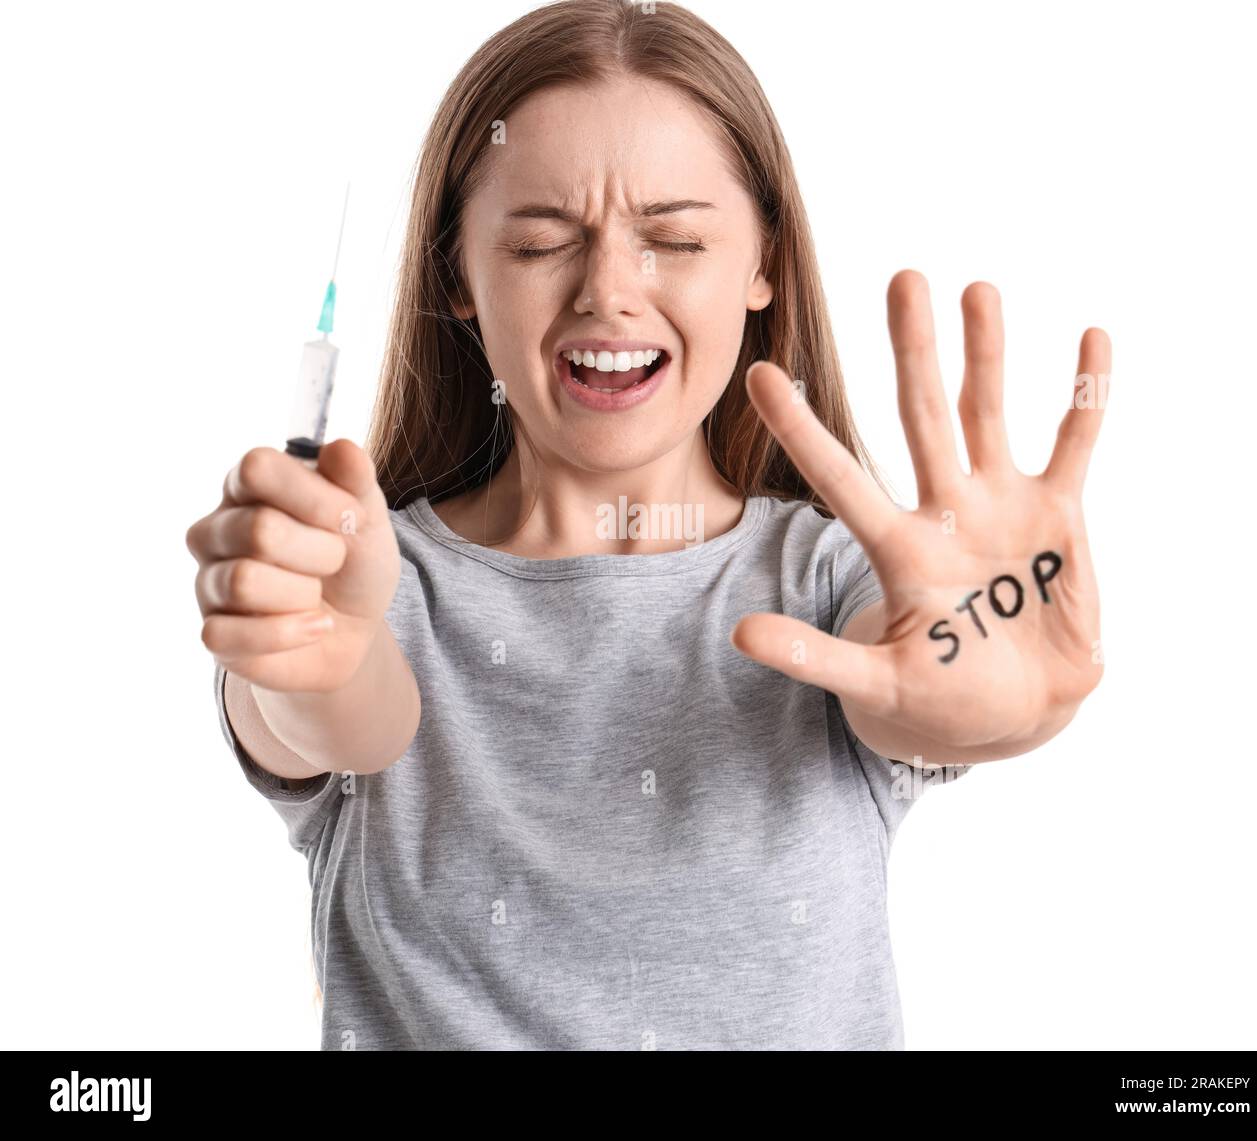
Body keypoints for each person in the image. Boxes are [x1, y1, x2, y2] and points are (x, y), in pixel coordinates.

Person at [185, 0, 1109, 1050]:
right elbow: (340, 708)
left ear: (764, 262)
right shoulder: (365, 582)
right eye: (540, 243)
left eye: (673, 238)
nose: (610, 293)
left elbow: (924, 689)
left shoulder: (832, 585)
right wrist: (310, 649)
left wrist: (1000, 676)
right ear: (457, 276)